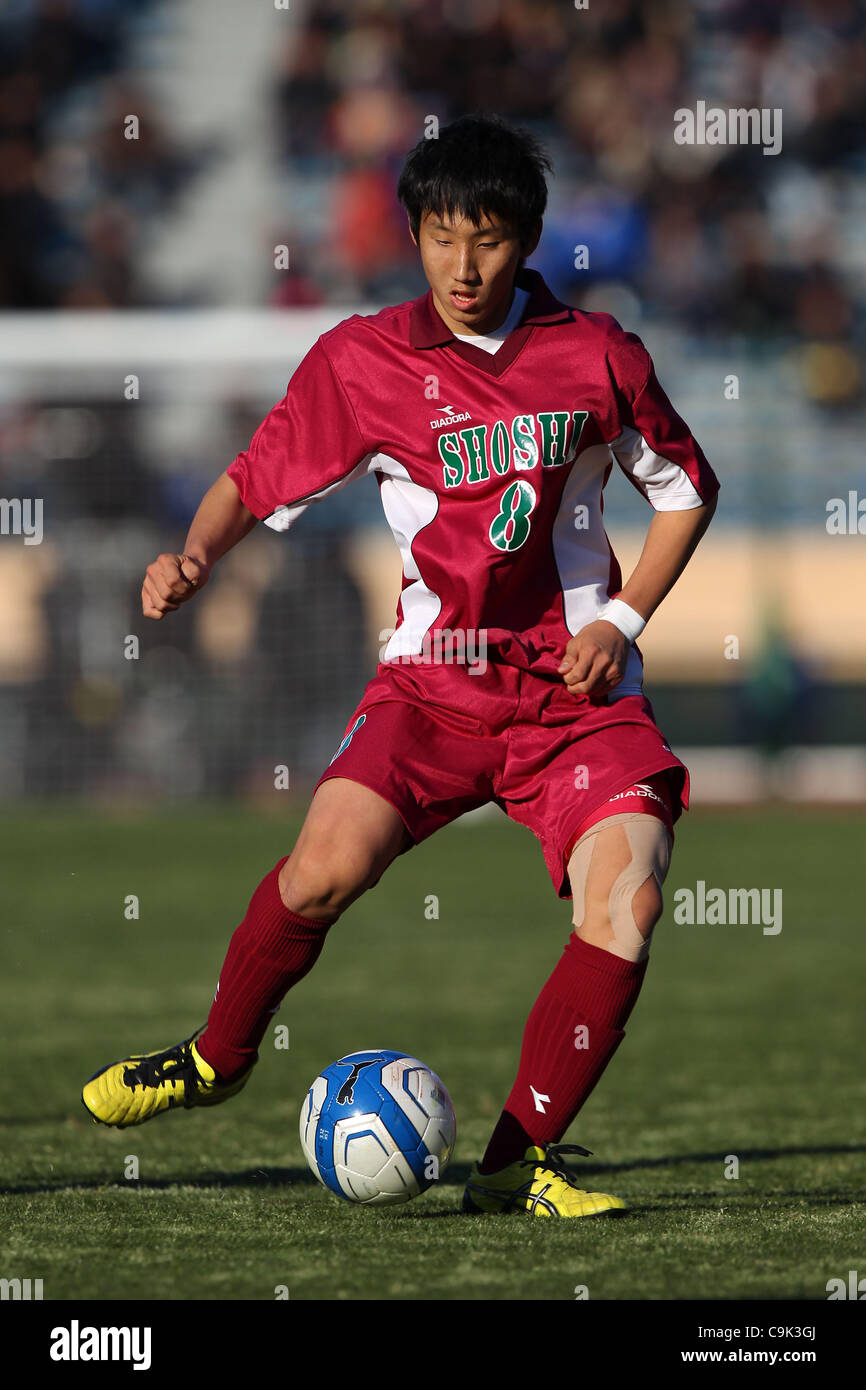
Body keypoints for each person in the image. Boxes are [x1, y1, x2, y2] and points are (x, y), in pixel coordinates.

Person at [82, 114, 719, 1219]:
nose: (459, 265)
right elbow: (255, 473)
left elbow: (684, 491)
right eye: (435, 236)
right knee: (320, 872)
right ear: (411, 236)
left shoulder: (598, 354)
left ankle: (519, 1160)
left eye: (482, 238)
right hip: (429, 687)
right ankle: (217, 1056)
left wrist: (618, 616)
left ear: (523, 239)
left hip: (572, 698)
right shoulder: (361, 360)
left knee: (628, 896)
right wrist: (193, 552)